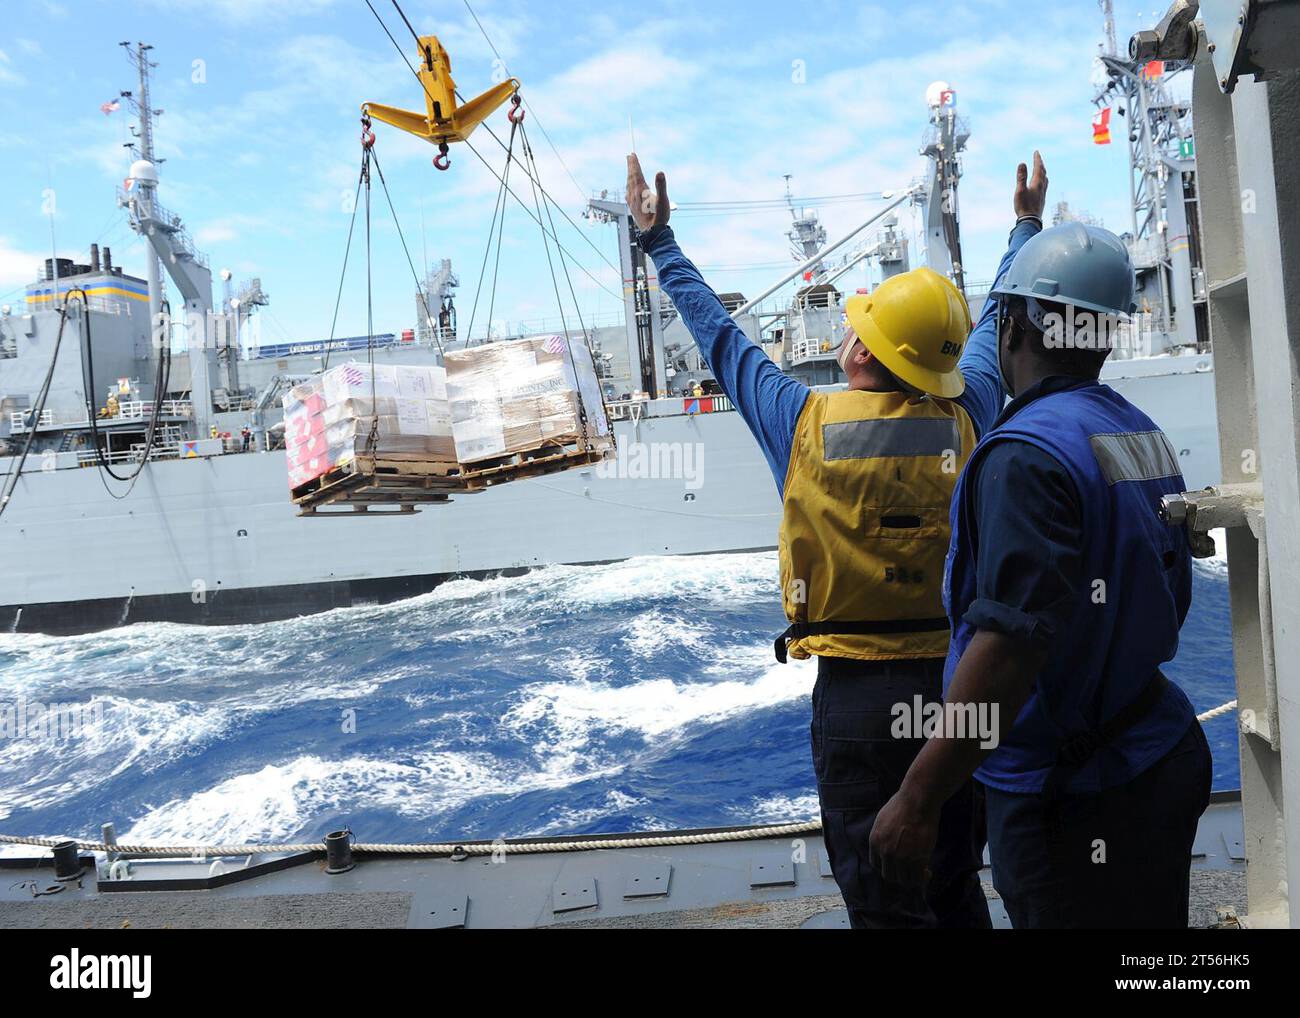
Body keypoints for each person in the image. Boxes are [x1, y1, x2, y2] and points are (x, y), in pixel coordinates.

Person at [627, 151, 1050, 928]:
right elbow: (989, 322)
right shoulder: (973, 409)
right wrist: (1023, 227)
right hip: (962, 686)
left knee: (881, 891)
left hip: (859, 696)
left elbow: (722, 338)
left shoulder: (802, 422)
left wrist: (660, 244)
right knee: (955, 879)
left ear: (859, 352)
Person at [868, 222, 1213, 928]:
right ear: (1105, 334)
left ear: (1016, 324)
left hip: (1075, 794)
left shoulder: (1025, 455)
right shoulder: (1137, 431)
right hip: (1158, 749)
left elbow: (1007, 652)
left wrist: (918, 797)